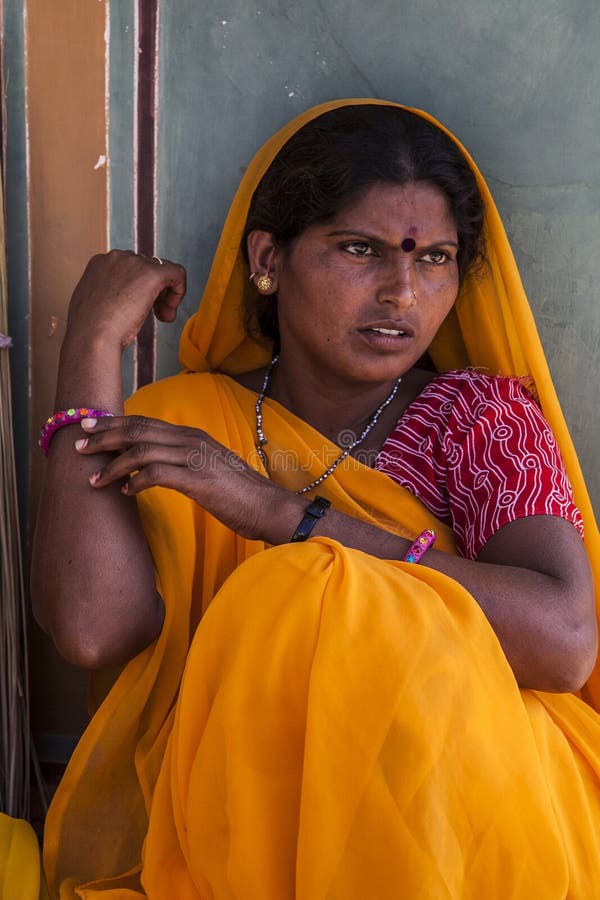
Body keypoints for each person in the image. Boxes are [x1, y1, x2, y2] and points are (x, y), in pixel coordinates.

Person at [32, 100, 600, 899]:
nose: (403, 292)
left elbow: (567, 642)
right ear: (269, 256)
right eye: (359, 249)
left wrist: (282, 516)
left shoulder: (476, 419)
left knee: (300, 589)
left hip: (468, 813)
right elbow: (94, 628)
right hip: (239, 815)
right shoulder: (191, 423)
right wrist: (90, 347)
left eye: (435, 258)